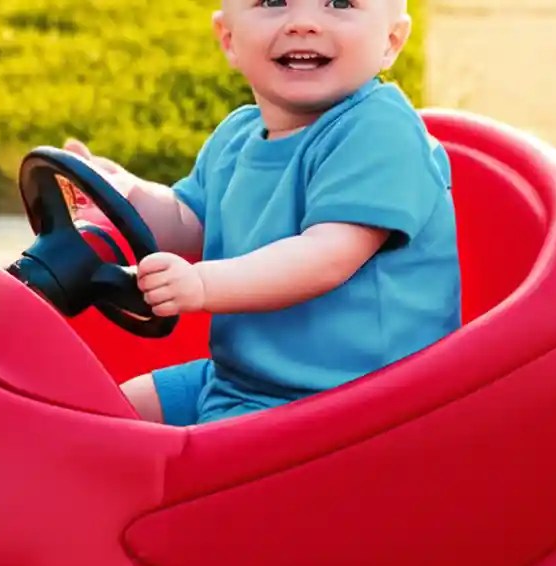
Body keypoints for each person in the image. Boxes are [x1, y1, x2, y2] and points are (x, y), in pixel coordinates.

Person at [65, 0, 461, 432]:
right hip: (242, 381)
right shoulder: (236, 138)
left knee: (170, 467)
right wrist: (123, 193)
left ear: (391, 42)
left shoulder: (377, 130)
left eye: (340, 3)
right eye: (273, 2)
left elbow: (327, 256)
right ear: (229, 40)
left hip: (353, 403)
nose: (304, 24)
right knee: (103, 415)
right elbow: (185, 223)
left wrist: (201, 285)